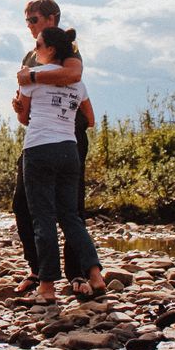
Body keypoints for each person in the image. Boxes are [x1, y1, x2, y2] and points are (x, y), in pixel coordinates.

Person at [16, 26, 105, 304]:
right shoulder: (79, 83)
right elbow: (90, 119)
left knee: (42, 217)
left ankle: (47, 286)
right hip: (69, 149)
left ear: (50, 49)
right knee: (70, 217)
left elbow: (24, 118)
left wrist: (20, 108)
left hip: (40, 148)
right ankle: (95, 274)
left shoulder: (33, 77)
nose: (35, 49)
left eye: (38, 44)